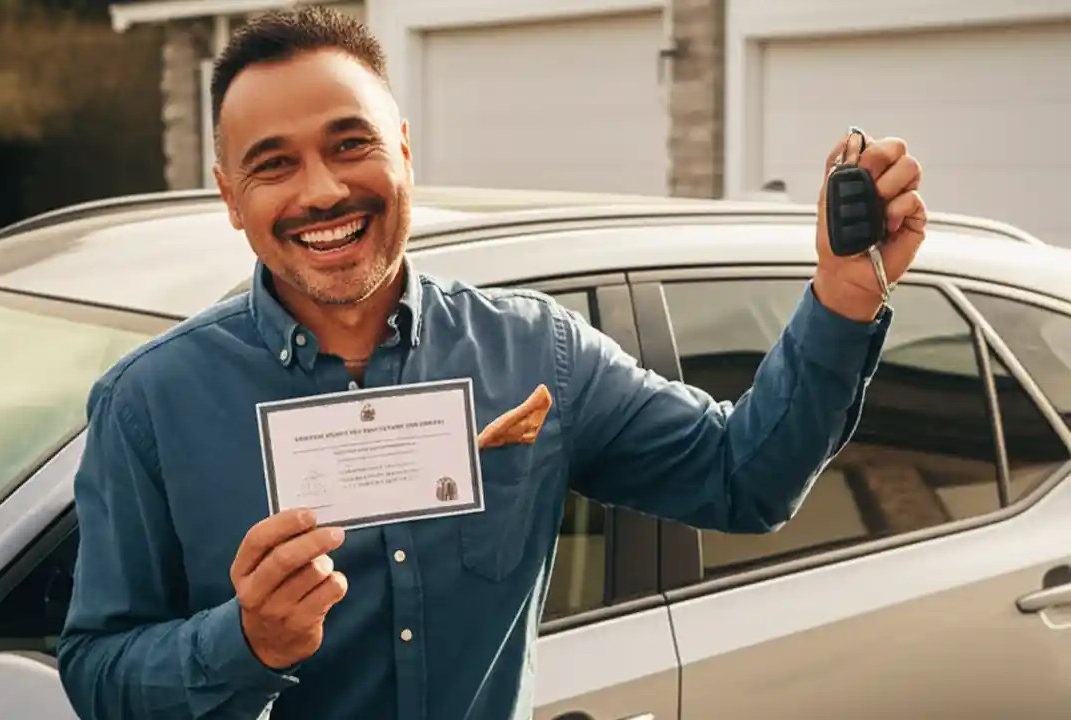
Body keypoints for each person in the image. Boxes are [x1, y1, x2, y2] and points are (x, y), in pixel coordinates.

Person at [56, 6, 925, 720]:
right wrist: (242, 645)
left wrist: (845, 293)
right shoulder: (148, 405)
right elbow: (97, 670)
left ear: (403, 148)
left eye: (350, 144)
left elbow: (744, 479)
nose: (321, 190)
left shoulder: (536, 354)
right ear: (230, 199)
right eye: (273, 164)